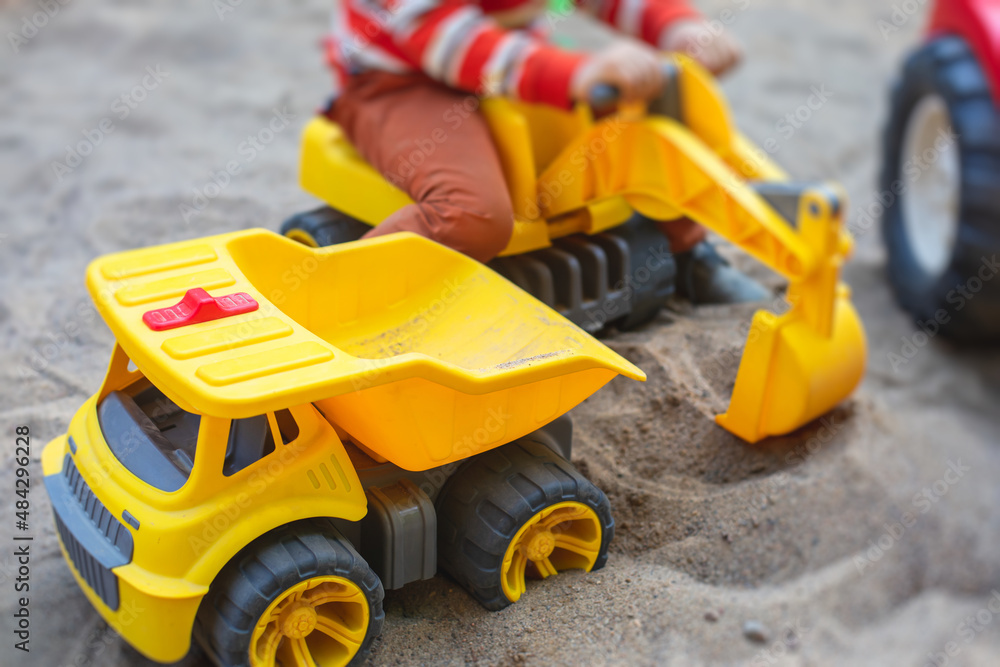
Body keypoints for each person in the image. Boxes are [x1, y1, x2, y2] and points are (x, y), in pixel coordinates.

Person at [325, 0, 768, 303]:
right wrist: (573, 72)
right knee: (471, 213)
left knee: (656, 99)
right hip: (402, 79)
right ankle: (338, 304)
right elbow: (446, 40)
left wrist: (679, 26)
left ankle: (683, 252)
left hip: (515, 59)